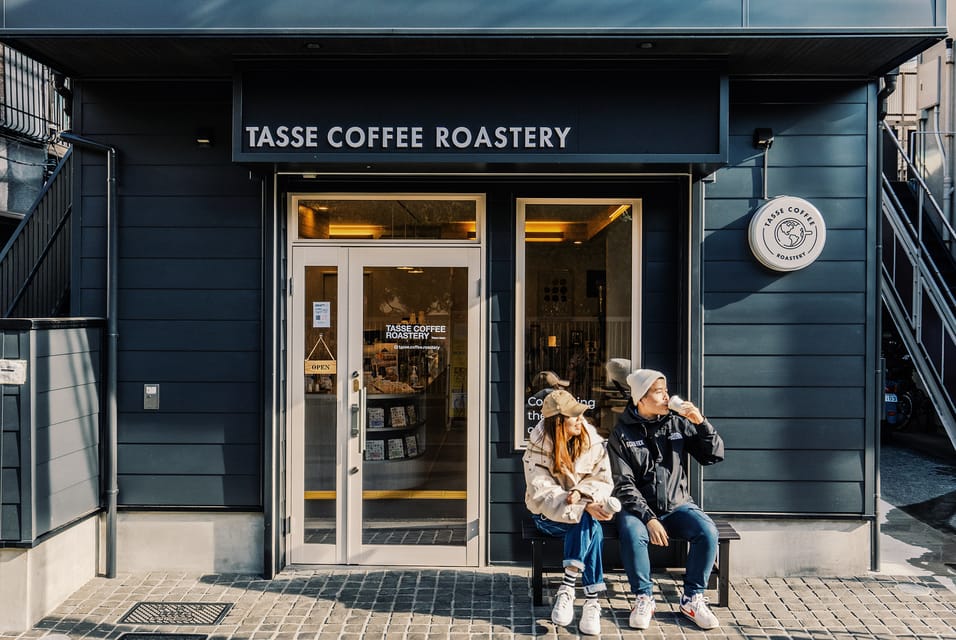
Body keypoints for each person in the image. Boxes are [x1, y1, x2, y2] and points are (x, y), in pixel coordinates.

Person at [607, 369, 725, 631]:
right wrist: (649, 518)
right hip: (637, 510)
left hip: (676, 504)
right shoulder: (621, 434)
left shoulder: (677, 423)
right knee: (632, 534)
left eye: (666, 390)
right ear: (641, 398)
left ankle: (692, 599)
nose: (666, 396)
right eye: (659, 392)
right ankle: (644, 598)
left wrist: (701, 423)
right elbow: (623, 484)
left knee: (707, 531)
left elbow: (713, 455)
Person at [522, 389, 616, 636]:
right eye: (573, 415)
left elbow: (603, 480)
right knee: (589, 524)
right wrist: (580, 504)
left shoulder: (591, 440)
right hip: (548, 516)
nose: (580, 419)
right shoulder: (538, 446)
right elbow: (541, 493)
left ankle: (568, 586)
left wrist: (582, 494)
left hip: (582, 514)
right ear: (558, 421)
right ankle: (592, 600)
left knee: (587, 523)